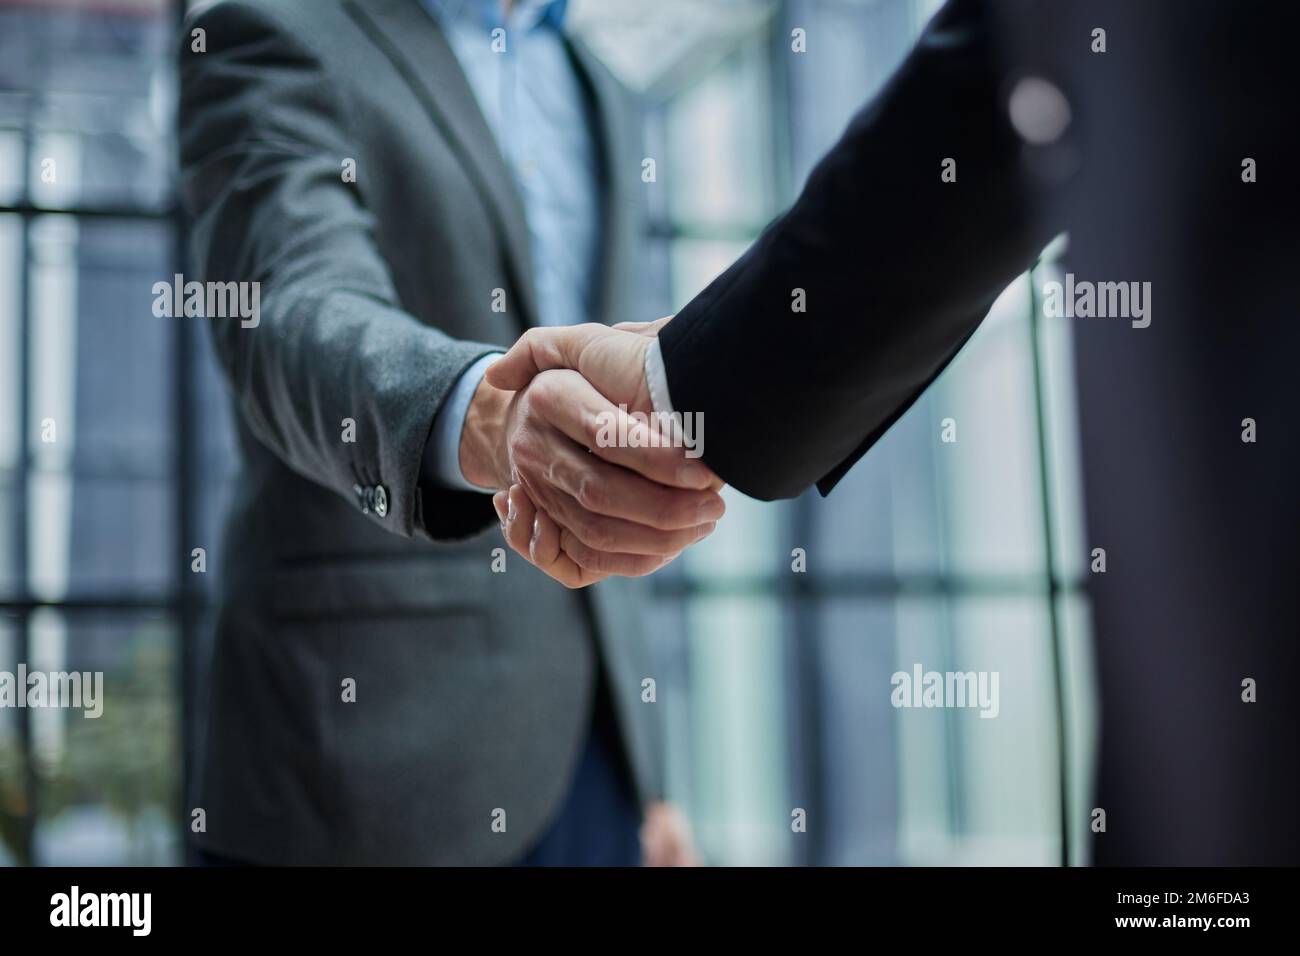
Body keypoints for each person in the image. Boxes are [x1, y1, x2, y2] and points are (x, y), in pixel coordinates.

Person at [179, 0, 708, 865]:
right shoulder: (273, 29)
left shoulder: (601, 86)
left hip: (590, 771)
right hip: (368, 766)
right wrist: (492, 414)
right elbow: (290, 308)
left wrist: (645, 773)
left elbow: (603, 397)